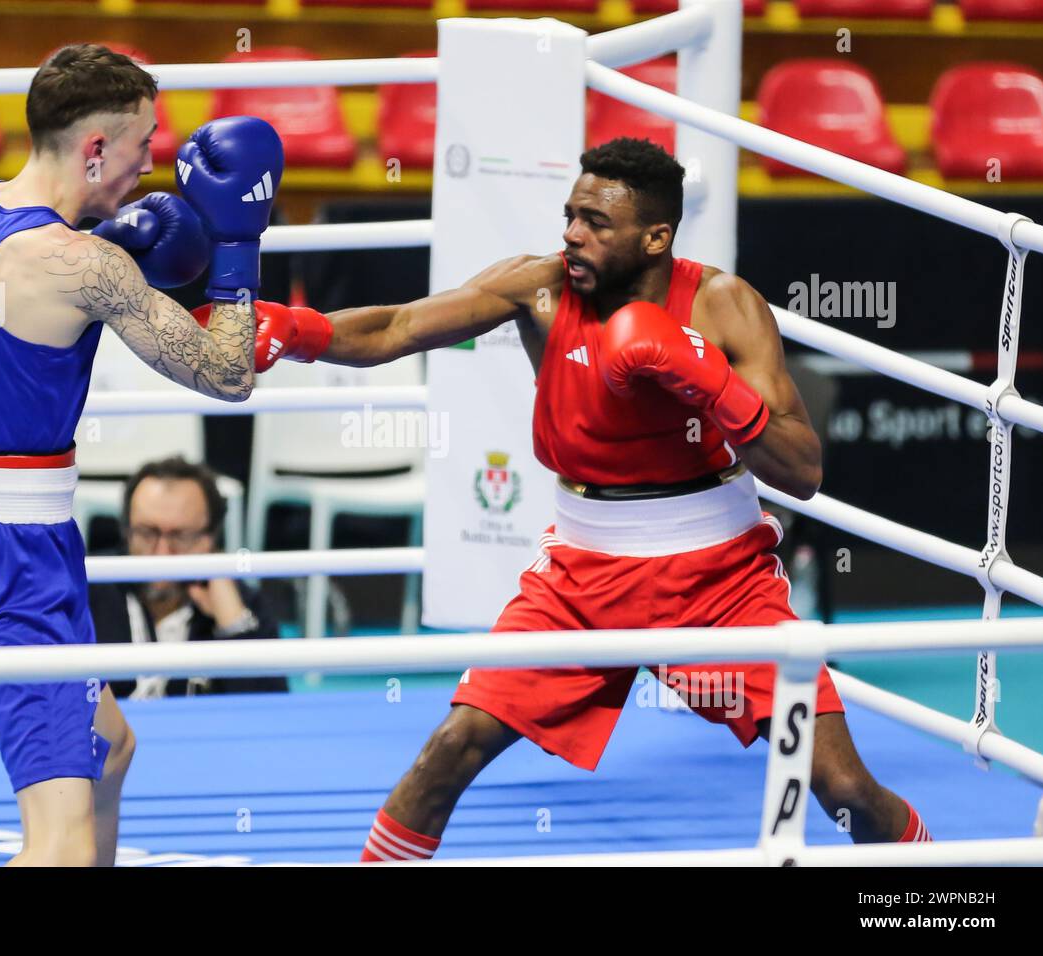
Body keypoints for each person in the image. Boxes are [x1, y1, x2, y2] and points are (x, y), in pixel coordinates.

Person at [249, 137, 931, 858]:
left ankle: (939, 899)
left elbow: (802, 471)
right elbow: (398, 326)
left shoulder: (723, 305)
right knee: (449, 749)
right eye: (571, 214)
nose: (573, 232)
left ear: (656, 237)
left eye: (597, 223)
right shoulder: (537, 288)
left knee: (845, 789)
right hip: (581, 575)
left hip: (720, 577)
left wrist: (709, 380)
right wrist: (296, 331)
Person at [0, 43, 282, 866]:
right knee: (60, 845)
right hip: (6, 561)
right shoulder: (84, 264)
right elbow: (227, 375)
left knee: (109, 750)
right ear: (94, 149)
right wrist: (236, 245)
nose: (154, 165)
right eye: (145, 144)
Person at [89, 455, 287, 699]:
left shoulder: (241, 605)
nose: (162, 553)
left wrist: (233, 627)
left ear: (210, 539)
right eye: (147, 533)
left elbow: (267, 714)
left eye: (181, 536)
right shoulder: (88, 590)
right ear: (126, 530)